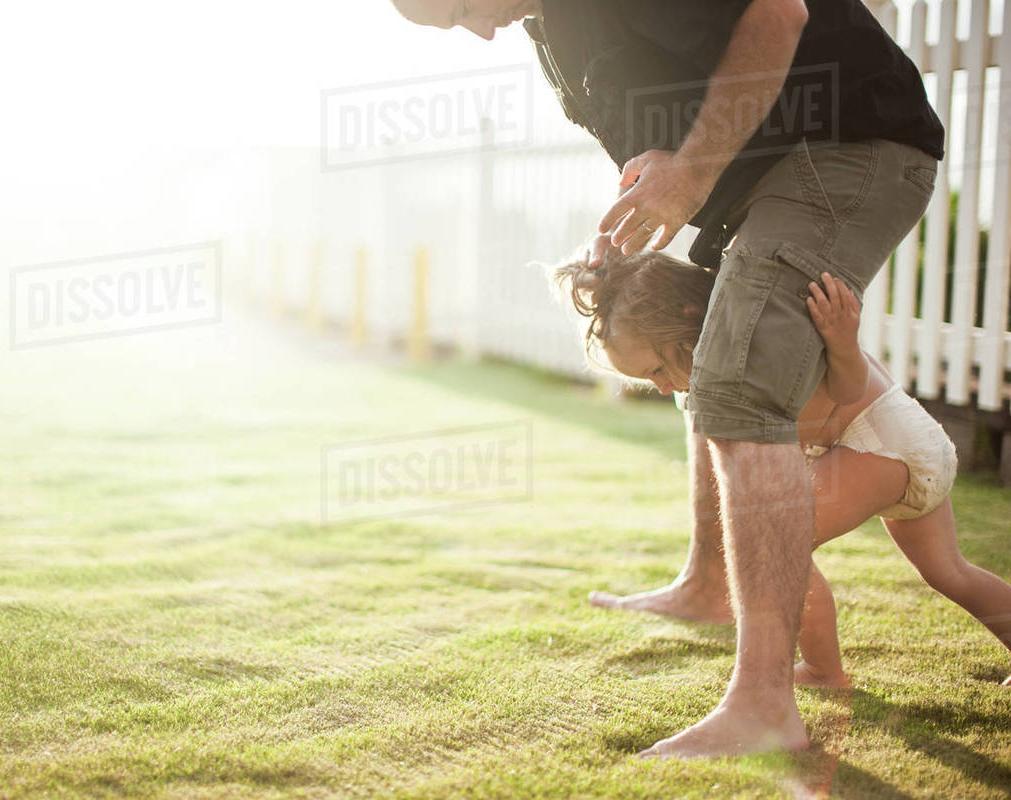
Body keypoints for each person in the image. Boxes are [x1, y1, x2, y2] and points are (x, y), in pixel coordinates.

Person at [393, 0, 944, 756]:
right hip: (767, 177)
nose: (480, 33)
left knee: (736, 386)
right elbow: (660, 113)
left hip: (845, 143)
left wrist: (691, 172)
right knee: (699, 361)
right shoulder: (551, 22)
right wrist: (646, 189)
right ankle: (709, 585)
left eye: (461, 9)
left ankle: (764, 707)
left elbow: (777, 13)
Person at [554, 249, 1011, 690]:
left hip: (887, 444)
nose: (659, 386)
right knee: (949, 572)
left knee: (777, 540)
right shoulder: (719, 363)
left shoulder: (763, 339)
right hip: (906, 450)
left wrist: (842, 343)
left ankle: (823, 670)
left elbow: (849, 390)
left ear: (688, 316)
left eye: (656, 369)